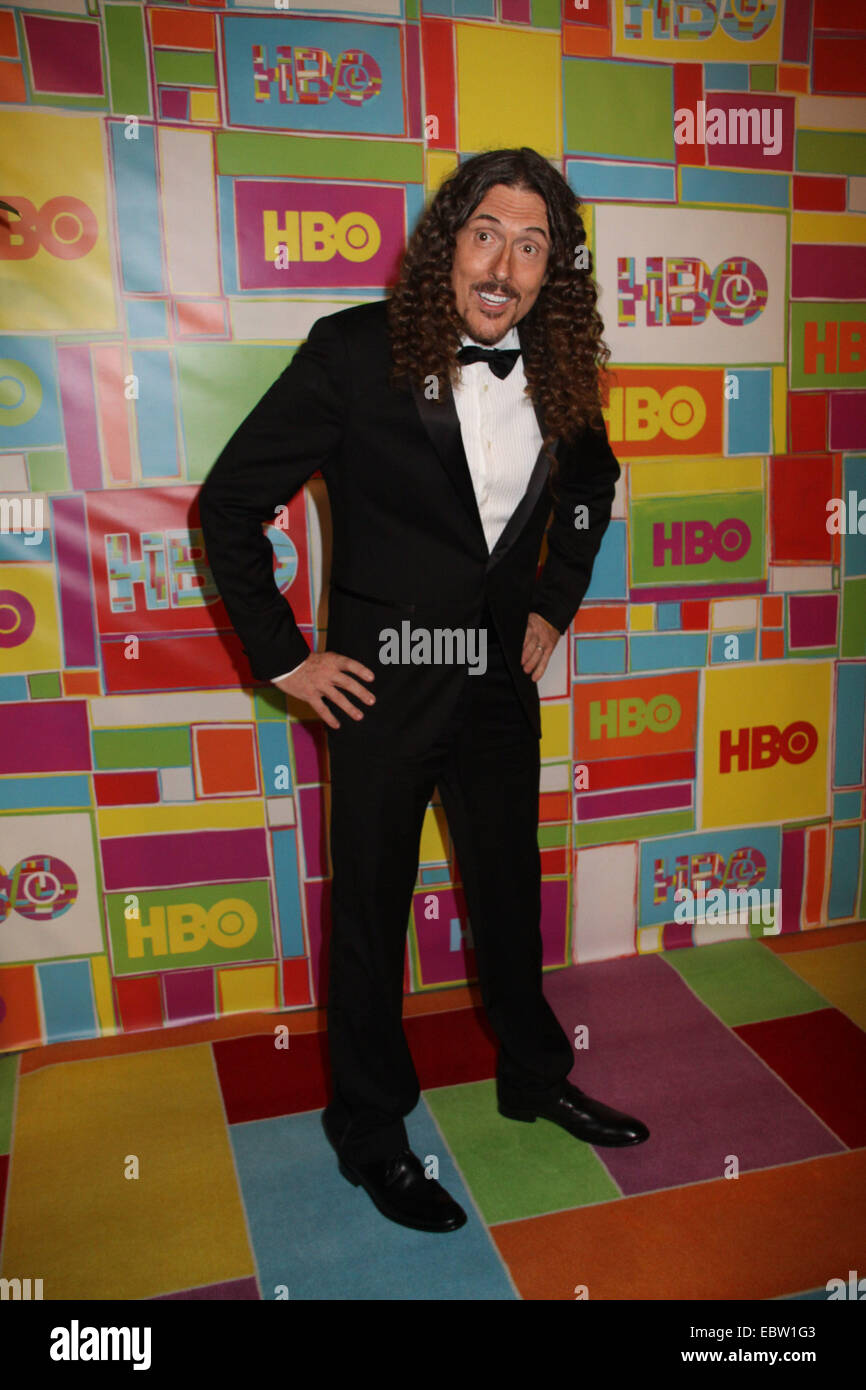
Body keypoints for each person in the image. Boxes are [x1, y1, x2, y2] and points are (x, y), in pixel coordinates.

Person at [198, 146, 649, 1236]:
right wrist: (285, 659)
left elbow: (588, 487)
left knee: (504, 892)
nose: (504, 262)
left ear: (555, 270)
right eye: (487, 231)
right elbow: (227, 504)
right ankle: (369, 1130)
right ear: (449, 239)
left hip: (497, 677)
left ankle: (532, 1074)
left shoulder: (562, 363)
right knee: (368, 912)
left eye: (532, 244)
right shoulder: (352, 352)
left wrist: (554, 601)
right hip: (381, 685)